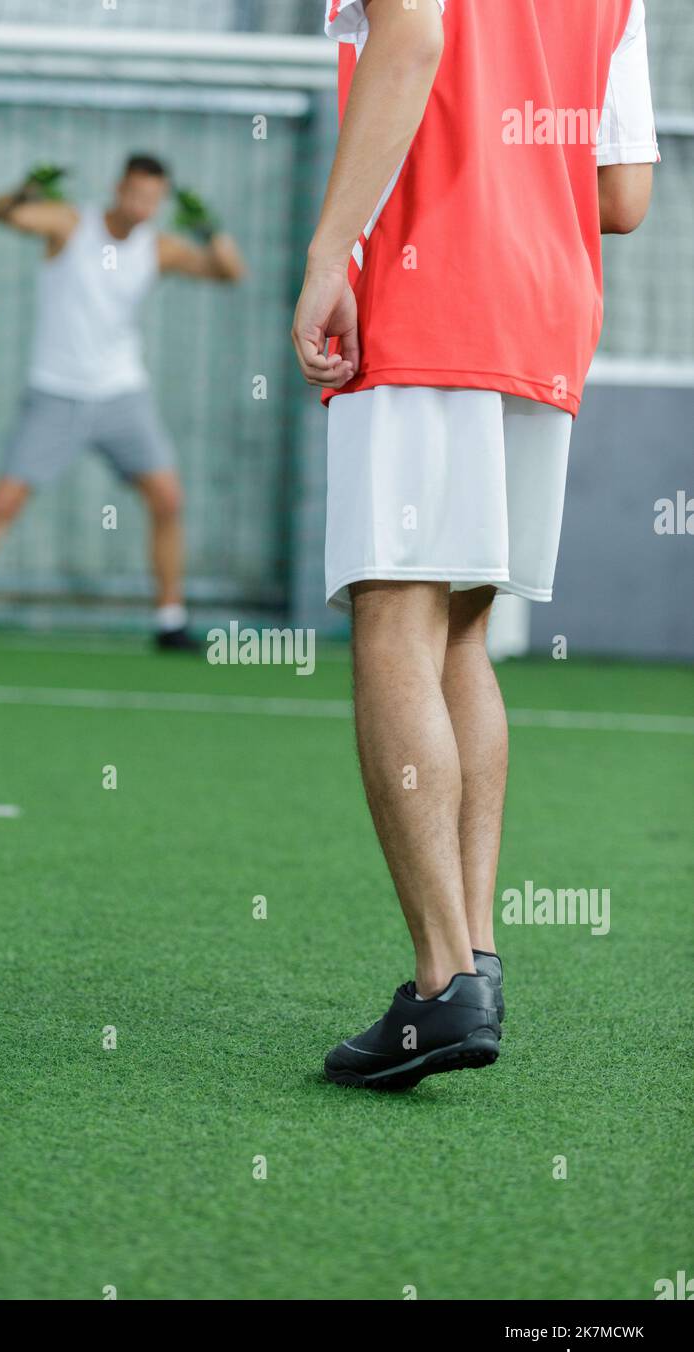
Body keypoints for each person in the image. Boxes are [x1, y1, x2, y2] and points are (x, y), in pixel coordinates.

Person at [292, 0, 658, 1088]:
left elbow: (409, 40)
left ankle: (441, 980)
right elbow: (623, 196)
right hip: (542, 308)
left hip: (421, 295)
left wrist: (325, 253)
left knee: (392, 616)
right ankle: (472, 963)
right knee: (461, 630)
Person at [0, 154, 245, 652]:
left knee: (168, 500)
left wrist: (208, 227)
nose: (141, 204)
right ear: (117, 188)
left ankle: (170, 620)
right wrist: (25, 189)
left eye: (152, 198)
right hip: (55, 393)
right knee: (2, 504)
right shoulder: (69, 223)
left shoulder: (159, 248)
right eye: (134, 193)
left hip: (121, 395)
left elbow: (228, 272)